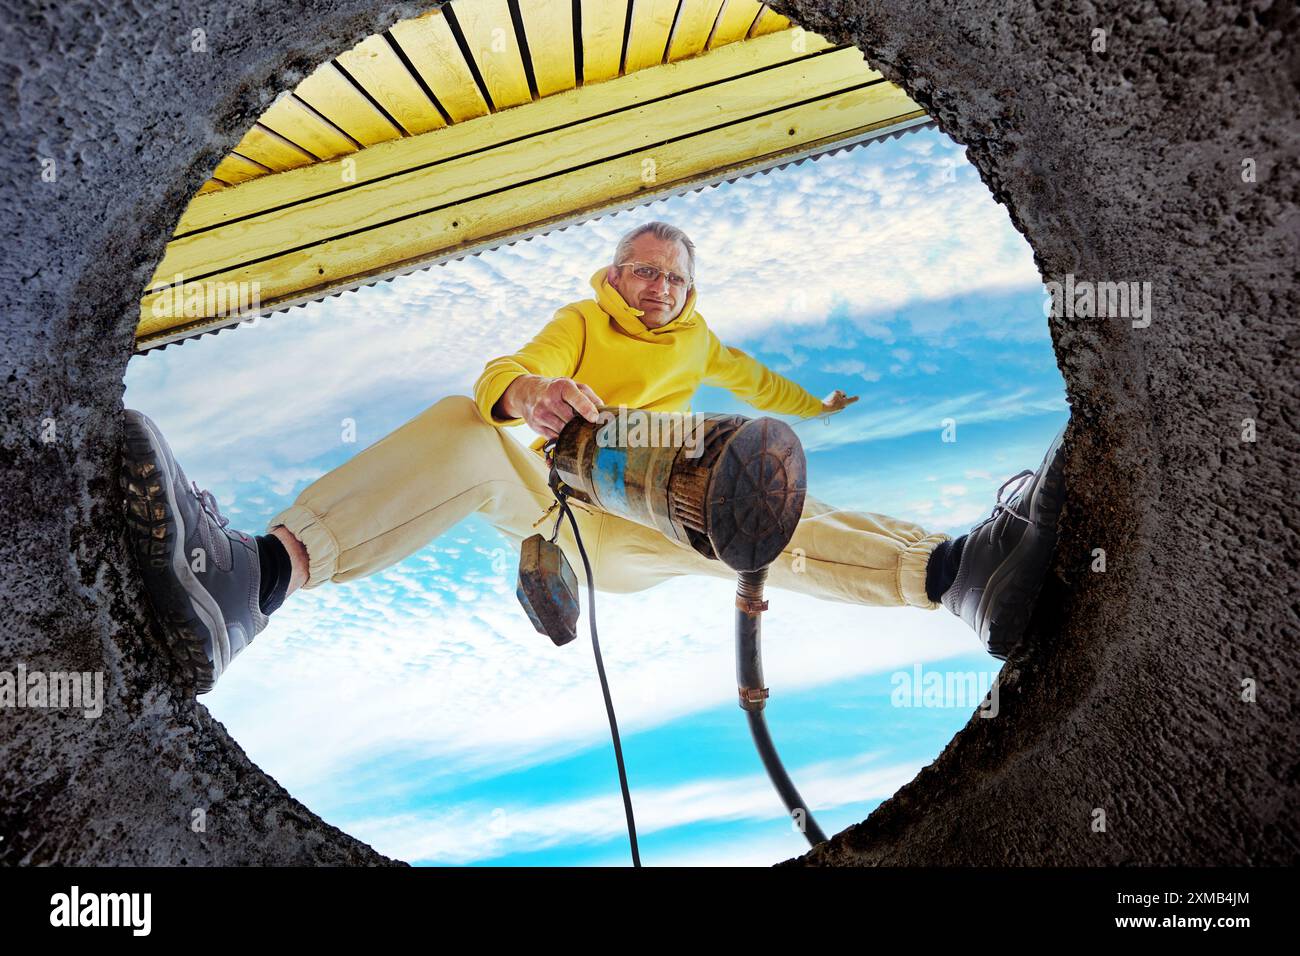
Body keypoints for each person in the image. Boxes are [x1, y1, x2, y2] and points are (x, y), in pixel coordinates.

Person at [121, 220, 1068, 695]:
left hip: (664, 501)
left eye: (672, 276)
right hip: (562, 497)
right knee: (463, 421)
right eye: (640, 270)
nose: (655, 286)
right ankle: (253, 581)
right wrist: (528, 395)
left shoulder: (702, 348)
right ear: (615, 277)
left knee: (747, 512)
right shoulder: (581, 322)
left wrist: (812, 403)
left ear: (691, 290)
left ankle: (957, 576)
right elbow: (514, 369)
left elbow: (762, 386)